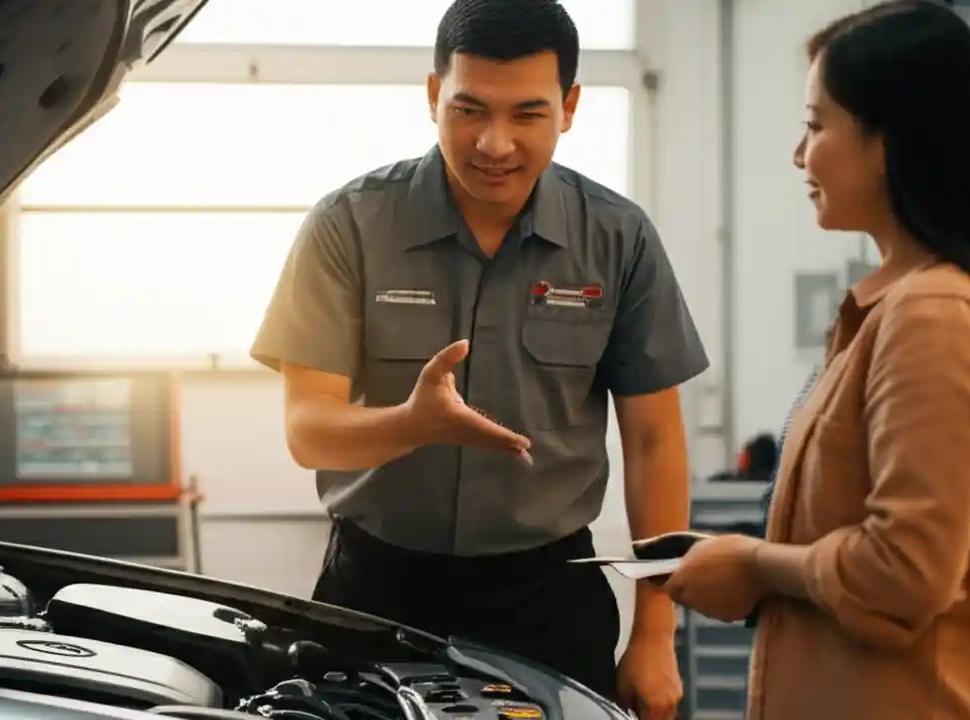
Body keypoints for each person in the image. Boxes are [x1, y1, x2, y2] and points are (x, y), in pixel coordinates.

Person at [250, 1, 708, 716]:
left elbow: (655, 440)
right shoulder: (351, 223)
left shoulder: (618, 238)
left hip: (550, 594)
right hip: (376, 590)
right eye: (469, 110)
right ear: (434, 95)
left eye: (527, 114)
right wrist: (413, 423)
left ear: (570, 107)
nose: (495, 143)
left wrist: (655, 632)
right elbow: (308, 429)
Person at [661, 1, 970, 718]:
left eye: (817, 126)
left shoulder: (933, 314)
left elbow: (905, 571)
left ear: (891, 142)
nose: (799, 154)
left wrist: (757, 567)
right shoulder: (892, 307)